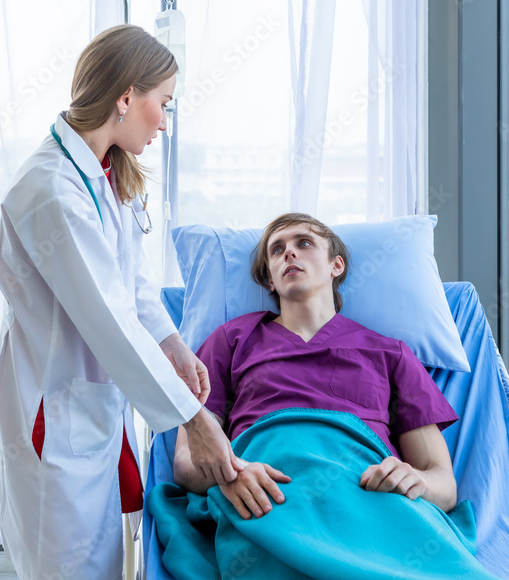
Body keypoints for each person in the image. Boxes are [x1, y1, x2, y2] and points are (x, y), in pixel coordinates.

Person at [0, 24, 241, 580]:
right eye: (163, 104)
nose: (163, 122)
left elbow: (130, 284)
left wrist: (174, 343)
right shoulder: (53, 190)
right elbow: (109, 322)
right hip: (57, 404)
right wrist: (193, 420)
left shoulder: (101, 173)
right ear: (126, 97)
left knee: (98, 566)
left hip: (90, 401)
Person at [172, 212, 460, 518]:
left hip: (366, 496)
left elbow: (444, 484)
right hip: (267, 494)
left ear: (336, 265)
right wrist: (231, 474)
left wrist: (417, 481)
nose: (290, 253)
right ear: (270, 279)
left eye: (304, 243)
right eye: (277, 250)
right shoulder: (232, 340)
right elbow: (185, 460)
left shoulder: (390, 353)